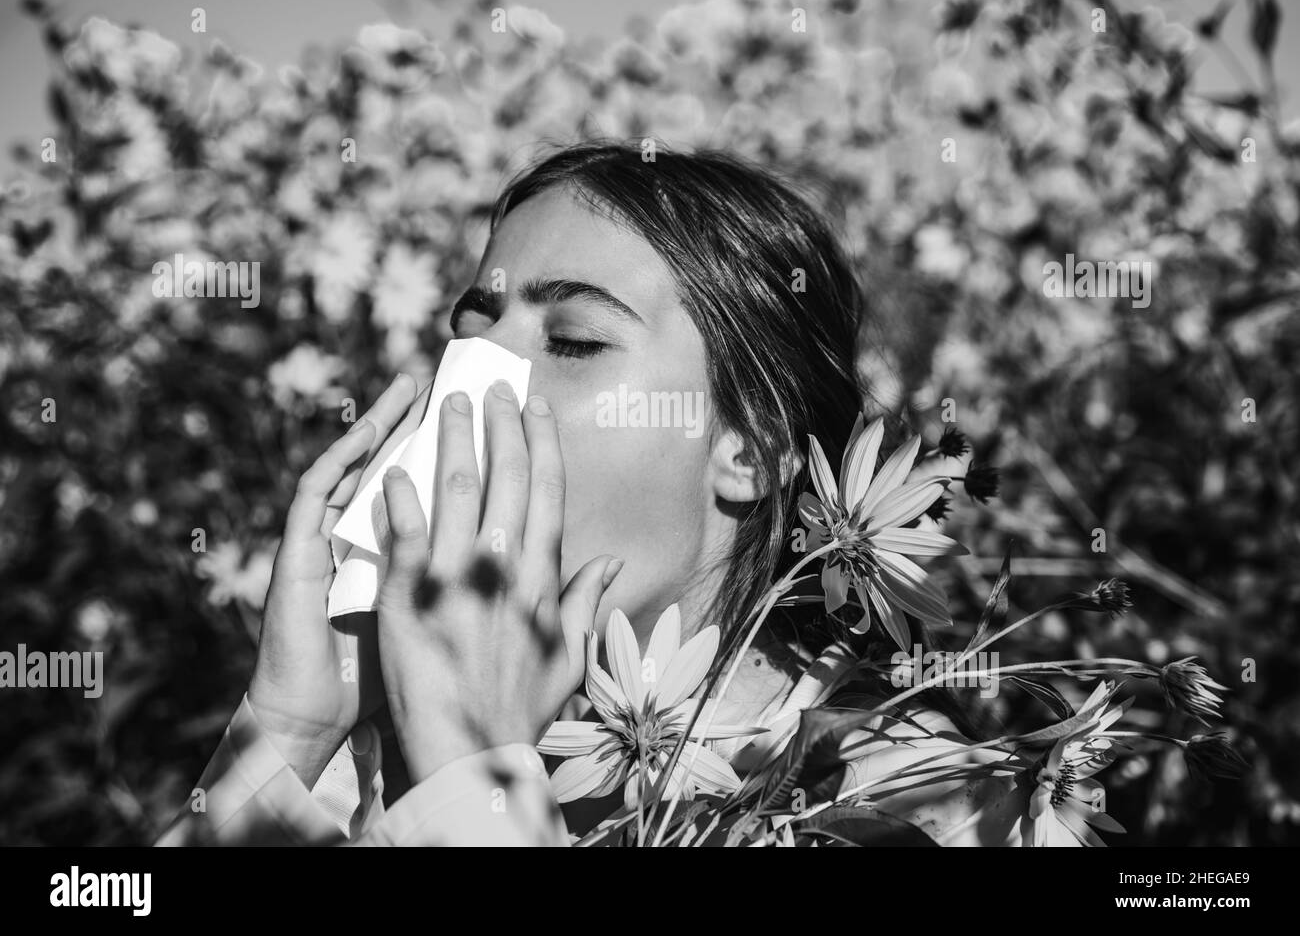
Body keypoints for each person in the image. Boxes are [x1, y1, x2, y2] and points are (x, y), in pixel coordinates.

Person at [157, 140, 1018, 847]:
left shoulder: (904, 801)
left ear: (749, 449)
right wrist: (289, 733)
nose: (479, 385)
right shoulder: (363, 763)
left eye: (571, 340)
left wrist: (474, 776)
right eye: (469, 333)